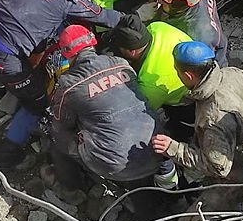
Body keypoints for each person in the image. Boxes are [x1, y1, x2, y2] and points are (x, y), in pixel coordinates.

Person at [0, 0, 123, 168]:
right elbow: (102, 16)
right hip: (0, 55)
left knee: (21, 62)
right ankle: (6, 155)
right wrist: (129, 21)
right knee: (38, 100)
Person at [152, 41, 243, 221]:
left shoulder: (213, 117)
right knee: (225, 213)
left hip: (237, 175)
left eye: (178, 72)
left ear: (188, 76)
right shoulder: (234, 73)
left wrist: (174, 148)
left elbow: (219, 167)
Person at [50, 25, 177, 190]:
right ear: (93, 43)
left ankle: (72, 189)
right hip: (158, 150)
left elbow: (61, 124)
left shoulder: (69, 84)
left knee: (57, 138)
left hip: (116, 166)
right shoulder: (121, 63)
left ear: (67, 53)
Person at [110, 14, 192, 111]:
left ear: (132, 52)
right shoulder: (157, 27)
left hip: (181, 102)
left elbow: (139, 112)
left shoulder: (152, 83)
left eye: (120, 49)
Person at [153, 0, 227, 67]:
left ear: (178, 5)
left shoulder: (192, 35)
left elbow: (195, 68)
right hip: (216, 39)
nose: (160, 2)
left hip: (212, 59)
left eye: (163, 0)